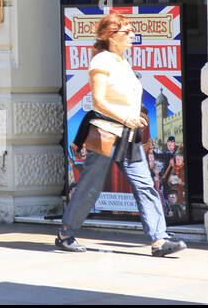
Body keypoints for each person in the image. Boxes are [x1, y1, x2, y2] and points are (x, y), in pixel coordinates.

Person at [54, 13, 185, 257]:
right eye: (128, 31)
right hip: (106, 133)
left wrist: (135, 117)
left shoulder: (122, 62)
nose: (133, 35)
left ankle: (159, 240)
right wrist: (125, 117)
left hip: (129, 136)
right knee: (90, 188)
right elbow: (98, 101)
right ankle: (64, 234)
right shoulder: (101, 61)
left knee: (145, 186)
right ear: (111, 36)